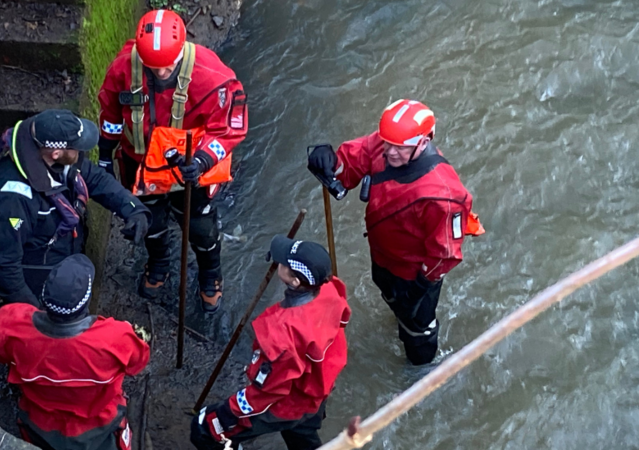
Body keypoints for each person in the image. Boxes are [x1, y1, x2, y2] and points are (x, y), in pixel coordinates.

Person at [308, 99, 484, 365]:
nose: (388, 152)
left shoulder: (443, 196)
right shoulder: (389, 144)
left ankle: (421, 371)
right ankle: (399, 313)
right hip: (384, 258)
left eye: (399, 149)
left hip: (412, 275)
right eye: (386, 143)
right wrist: (329, 160)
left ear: (423, 143)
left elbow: (444, 254)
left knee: (418, 329)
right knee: (393, 300)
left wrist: (417, 290)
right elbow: (355, 160)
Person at [97, 9, 248, 312]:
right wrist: (104, 155)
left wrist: (204, 160)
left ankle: (210, 275)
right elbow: (111, 115)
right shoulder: (123, 69)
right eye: (155, 68)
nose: (162, 74)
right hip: (141, 165)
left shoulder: (213, 77)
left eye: (169, 67)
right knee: (150, 222)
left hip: (188, 169)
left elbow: (231, 127)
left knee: (201, 227)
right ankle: (159, 264)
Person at [191, 236, 351, 450]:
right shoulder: (330, 288)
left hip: (290, 402)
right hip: (317, 386)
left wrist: (229, 411)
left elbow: (268, 391)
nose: (279, 262)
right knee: (302, 433)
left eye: (284, 263)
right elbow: (342, 320)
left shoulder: (283, 332)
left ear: (295, 281)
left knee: (204, 429)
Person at [0, 109, 151, 310]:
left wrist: (132, 208)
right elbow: (4, 266)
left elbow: (95, 178)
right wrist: (33, 313)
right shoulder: (12, 200)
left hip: (62, 250)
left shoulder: (54, 154)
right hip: (35, 275)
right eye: (77, 148)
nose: (82, 152)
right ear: (56, 153)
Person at [0, 254, 150, 450]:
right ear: (86, 301)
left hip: (39, 421)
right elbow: (138, 362)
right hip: (99, 423)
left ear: (44, 295)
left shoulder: (9, 323)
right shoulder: (116, 337)